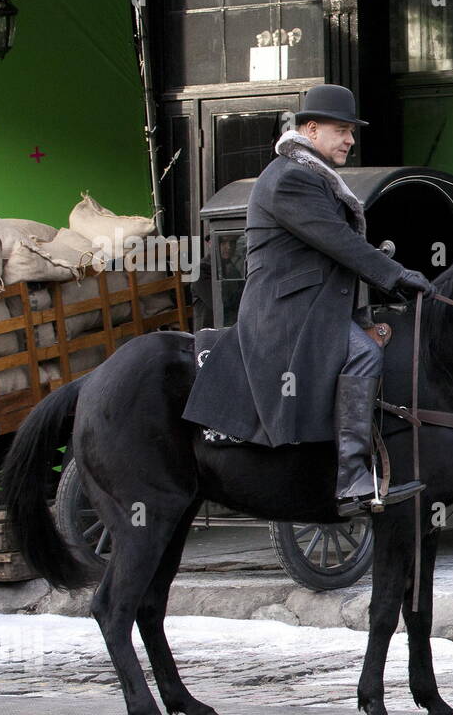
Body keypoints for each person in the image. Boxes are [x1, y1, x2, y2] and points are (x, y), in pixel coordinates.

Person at [182, 83, 433, 516]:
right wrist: (399, 277)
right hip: (287, 315)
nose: (351, 140)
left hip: (317, 308)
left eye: (352, 132)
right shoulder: (292, 178)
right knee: (366, 356)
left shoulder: (311, 175)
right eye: (342, 130)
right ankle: (353, 476)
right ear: (311, 129)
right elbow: (339, 242)